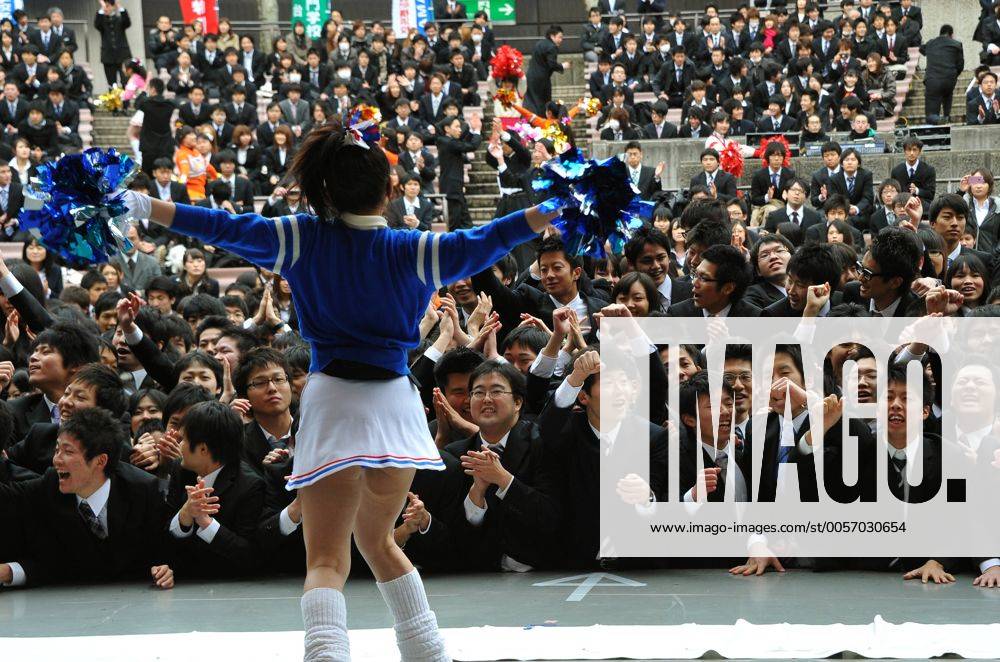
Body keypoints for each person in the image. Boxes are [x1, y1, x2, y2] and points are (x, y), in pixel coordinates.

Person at [123, 115, 563, 660]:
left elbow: (219, 225)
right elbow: (492, 237)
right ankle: (430, 654)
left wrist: (143, 205)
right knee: (379, 541)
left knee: (327, 560)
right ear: (389, 190)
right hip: (392, 407)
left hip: (331, 402)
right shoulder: (416, 248)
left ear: (325, 188)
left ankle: (327, 655)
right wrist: (556, 205)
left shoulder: (298, 236)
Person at [919, 24, 964, 125]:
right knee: (948, 95)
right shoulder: (957, 44)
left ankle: (937, 119)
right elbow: (960, 65)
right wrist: (953, 75)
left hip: (932, 80)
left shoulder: (931, 43)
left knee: (931, 114)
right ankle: (946, 116)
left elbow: (921, 49)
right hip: (949, 79)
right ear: (951, 35)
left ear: (940, 34)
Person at [524, 26, 569, 115]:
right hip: (542, 80)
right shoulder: (552, 47)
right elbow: (552, 64)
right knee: (543, 102)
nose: (561, 40)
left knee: (531, 101)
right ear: (552, 36)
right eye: (559, 37)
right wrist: (562, 66)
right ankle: (542, 122)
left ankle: (531, 121)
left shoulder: (539, 43)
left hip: (531, 77)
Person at [94, 0, 132, 88]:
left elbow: (127, 22)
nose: (107, 8)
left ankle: (125, 101)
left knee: (125, 81)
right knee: (111, 83)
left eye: (109, 6)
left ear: (113, 7)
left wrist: (119, 6)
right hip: (108, 56)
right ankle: (113, 101)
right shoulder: (102, 21)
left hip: (123, 55)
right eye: (105, 6)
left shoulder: (119, 19)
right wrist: (102, 9)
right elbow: (97, 24)